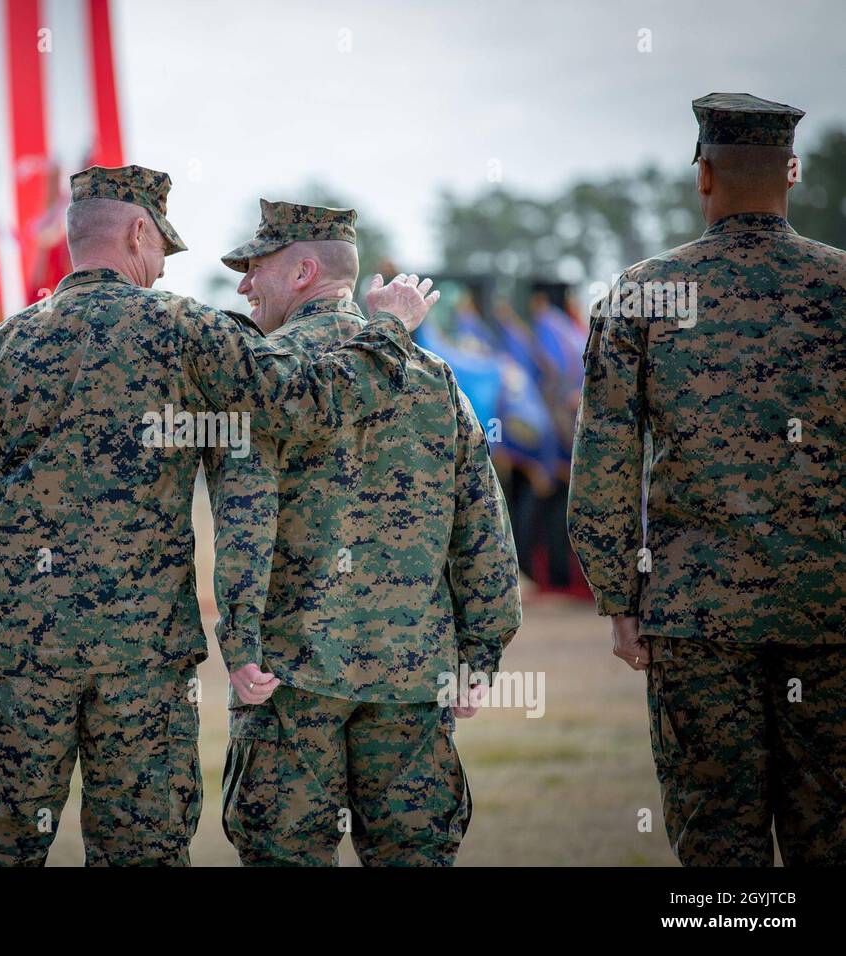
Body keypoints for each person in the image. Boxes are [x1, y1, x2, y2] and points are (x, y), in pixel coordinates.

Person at [0, 164, 438, 866]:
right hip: (144, 665)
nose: (159, 270)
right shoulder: (187, 331)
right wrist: (392, 331)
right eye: (161, 248)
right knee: (144, 854)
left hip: (15, 657)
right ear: (136, 232)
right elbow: (307, 400)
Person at [568, 93, 846, 865]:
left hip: (697, 621)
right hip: (831, 614)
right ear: (792, 174)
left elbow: (604, 467)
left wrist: (620, 599)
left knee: (720, 847)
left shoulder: (643, 295)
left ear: (704, 176)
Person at [207, 201, 521, 865]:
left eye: (252, 269)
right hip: (412, 674)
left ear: (301, 273)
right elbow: (484, 531)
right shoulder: (434, 378)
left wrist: (239, 639)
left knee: (286, 854)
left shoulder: (263, 374)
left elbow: (244, 520)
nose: (241, 286)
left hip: (291, 674)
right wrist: (482, 651)